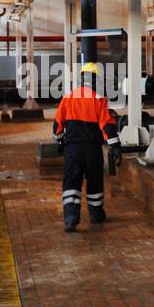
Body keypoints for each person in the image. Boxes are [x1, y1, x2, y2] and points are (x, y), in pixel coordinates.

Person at [53, 61, 121, 232]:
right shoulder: (99, 100)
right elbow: (107, 126)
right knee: (95, 181)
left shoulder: (67, 98)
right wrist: (115, 146)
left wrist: (60, 142)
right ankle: (96, 215)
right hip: (92, 150)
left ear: (81, 79)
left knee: (71, 181)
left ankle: (71, 218)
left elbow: (57, 126)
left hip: (72, 150)